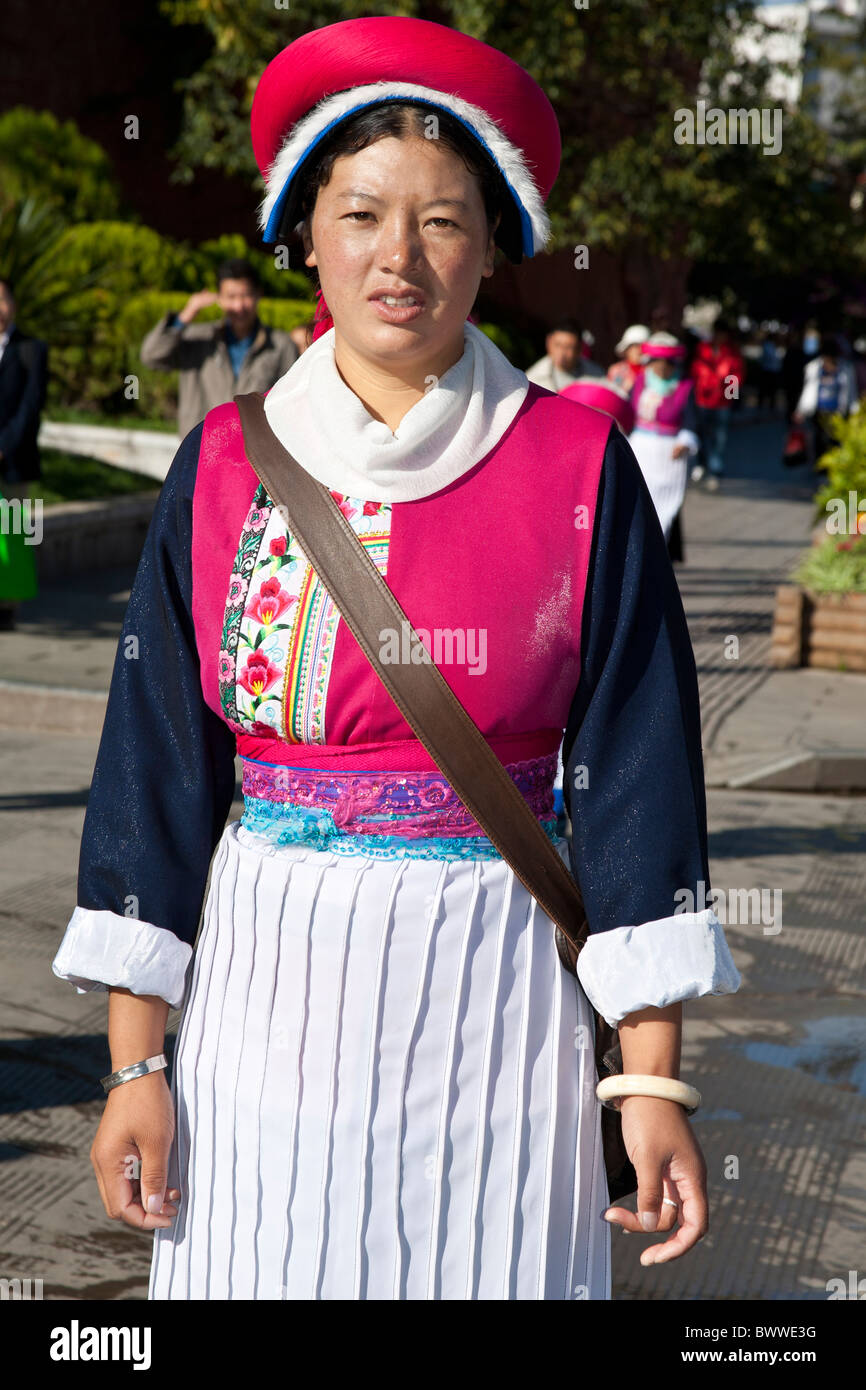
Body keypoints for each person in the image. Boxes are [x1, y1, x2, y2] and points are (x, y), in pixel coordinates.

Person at [52, 16, 740, 1302]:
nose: (398, 256)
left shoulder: (578, 471)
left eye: (443, 221)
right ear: (304, 233)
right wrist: (136, 1067)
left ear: (493, 252)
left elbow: (639, 782)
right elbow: (155, 771)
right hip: (264, 1002)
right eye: (362, 213)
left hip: (502, 997)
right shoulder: (220, 468)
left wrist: (647, 1080)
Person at [140, 257, 298, 437]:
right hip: (200, 450)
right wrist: (187, 314)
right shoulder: (198, 339)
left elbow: (292, 402)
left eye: (245, 295)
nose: (239, 306)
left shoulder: (280, 345)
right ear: (220, 299)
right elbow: (151, 356)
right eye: (231, 297)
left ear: (258, 295)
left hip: (256, 454)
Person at [0, 276, 47, 630]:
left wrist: (5, 446)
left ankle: (8, 605)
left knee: (14, 532)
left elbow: (30, 407)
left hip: (13, 460)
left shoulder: (32, 348)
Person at [627, 332, 699, 542]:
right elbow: (626, 413)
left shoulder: (685, 387)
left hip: (669, 457)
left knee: (663, 511)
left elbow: (692, 421)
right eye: (656, 363)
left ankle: (659, 549)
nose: (661, 368)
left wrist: (685, 441)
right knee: (637, 502)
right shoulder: (640, 382)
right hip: (639, 449)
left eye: (667, 364)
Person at [689, 320, 745, 488]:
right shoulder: (702, 348)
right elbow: (695, 371)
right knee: (702, 433)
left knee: (720, 436)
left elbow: (736, 374)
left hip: (722, 401)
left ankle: (715, 468)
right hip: (703, 398)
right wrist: (702, 386)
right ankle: (701, 463)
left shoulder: (732, 352)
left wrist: (731, 397)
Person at [793, 333, 859, 470]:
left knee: (835, 441)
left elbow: (851, 392)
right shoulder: (813, 368)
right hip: (818, 411)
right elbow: (808, 391)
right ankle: (820, 468)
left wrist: (855, 411)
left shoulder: (845, 370)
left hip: (837, 412)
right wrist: (800, 410)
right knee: (818, 439)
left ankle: (832, 468)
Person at [525, 317, 604, 390]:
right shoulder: (532, 380)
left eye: (569, 347)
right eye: (557, 345)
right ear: (548, 342)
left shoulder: (597, 376)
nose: (562, 353)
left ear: (580, 348)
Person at [607, 323, 649, 392]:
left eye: (642, 346)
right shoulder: (616, 370)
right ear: (627, 349)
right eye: (634, 346)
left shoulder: (652, 371)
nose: (639, 350)